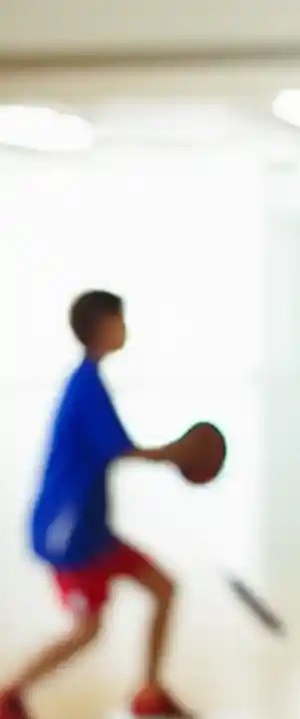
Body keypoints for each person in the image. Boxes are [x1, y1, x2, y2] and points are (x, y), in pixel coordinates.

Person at [0, 291, 191, 719]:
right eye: (120, 321)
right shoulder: (85, 384)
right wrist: (176, 454)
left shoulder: (89, 379)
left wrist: (172, 455)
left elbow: (115, 450)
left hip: (94, 532)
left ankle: (150, 693)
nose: (125, 329)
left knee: (164, 589)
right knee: (87, 630)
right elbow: (121, 450)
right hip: (70, 536)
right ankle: (9, 693)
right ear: (103, 326)